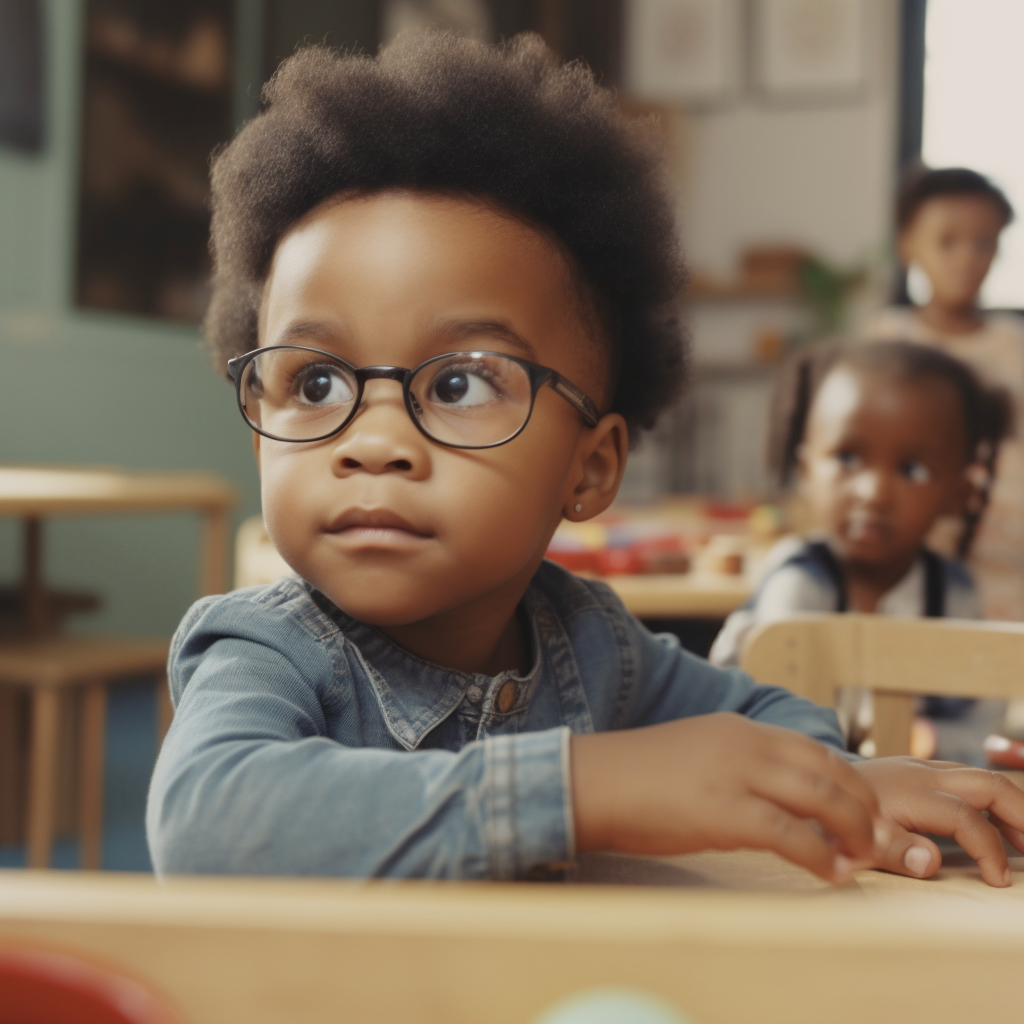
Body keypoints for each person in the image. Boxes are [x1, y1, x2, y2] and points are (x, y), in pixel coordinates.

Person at [146, 33, 1024, 887]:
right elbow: (209, 821)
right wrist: (592, 787)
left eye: (458, 385)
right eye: (317, 384)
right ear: (261, 424)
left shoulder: (593, 647)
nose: (372, 442)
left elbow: (767, 719)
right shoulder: (267, 651)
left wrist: (843, 787)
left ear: (591, 469)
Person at [708, 342, 1012, 749]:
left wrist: (928, 739)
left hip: (911, 795)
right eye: (848, 458)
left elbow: (979, 724)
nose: (874, 493)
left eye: (913, 469)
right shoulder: (798, 580)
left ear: (958, 494)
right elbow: (769, 725)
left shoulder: (954, 595)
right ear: (806, 470)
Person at [864, 166, 1024, 623]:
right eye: (947, 241)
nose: (967, 258)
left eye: (984, 243)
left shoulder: (1015, 347)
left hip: (1008, 565)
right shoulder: (886, 342)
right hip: (908, 560)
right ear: (907, 245)